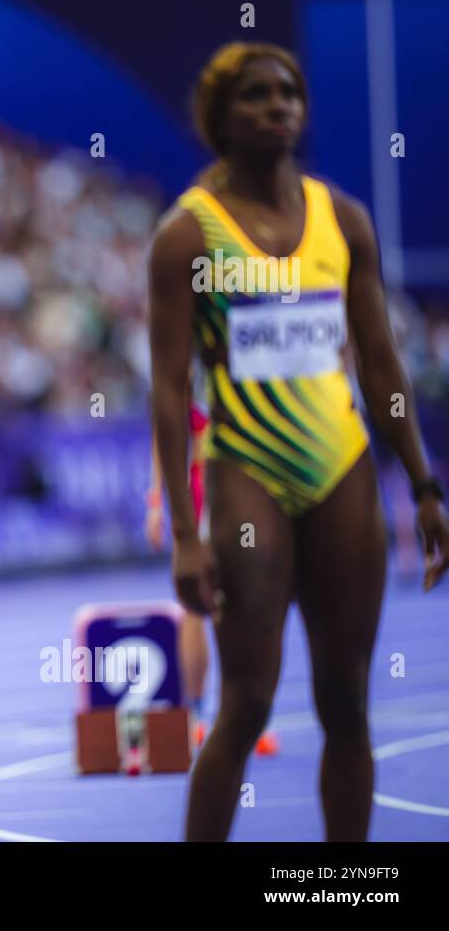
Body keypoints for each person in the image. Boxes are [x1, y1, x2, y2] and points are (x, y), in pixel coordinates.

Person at [148, 43, 449, 841]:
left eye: (289, 93)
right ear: (221, 118)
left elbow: (380, 361)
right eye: (255, 95)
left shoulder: (342, 220)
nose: (278, 106)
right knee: (246, 703)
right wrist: (184, 533)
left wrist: (423, 484)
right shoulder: (188, 236)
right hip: (246, 472)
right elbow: (170, 392)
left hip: (342, 470)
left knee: (348, 702)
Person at [144, 373, 278, 756]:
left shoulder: (245, 358)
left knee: (249, 603)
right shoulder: (189, 362)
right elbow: (165, 432)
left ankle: (249, 716)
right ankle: (197, 717)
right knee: (197, 605)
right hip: (205, 494)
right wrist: (155, 499)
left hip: (248, 491)